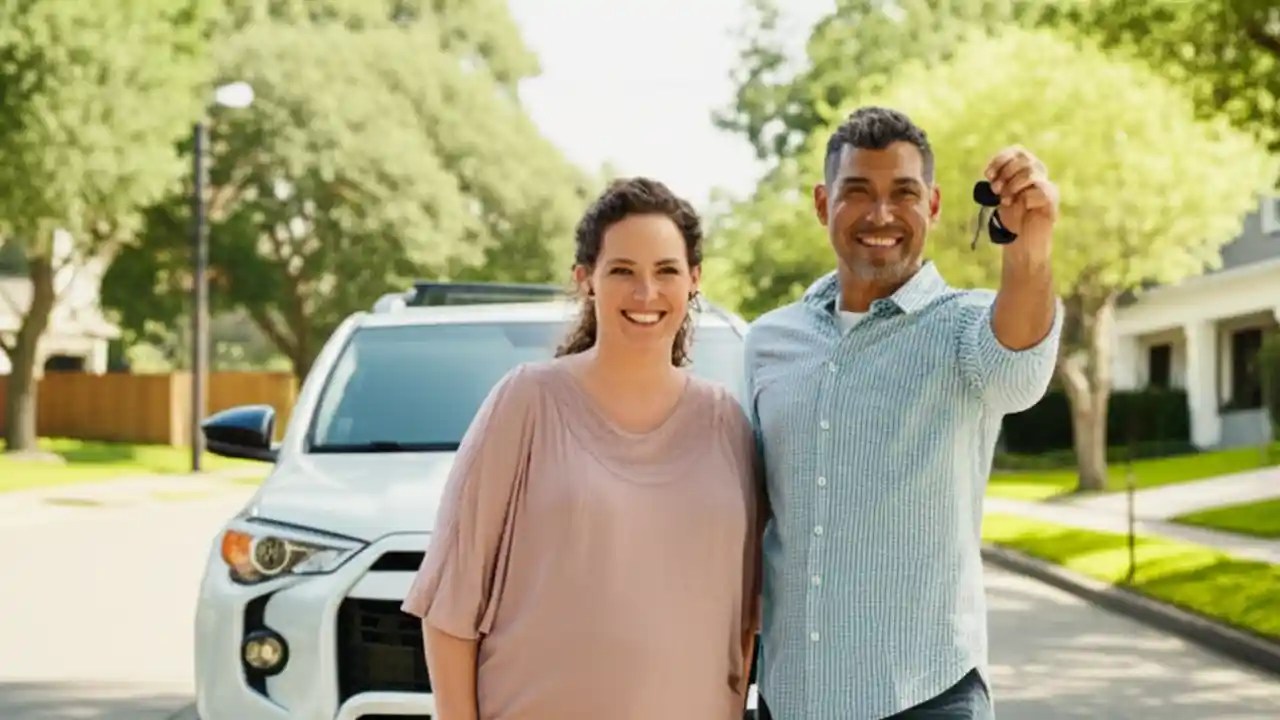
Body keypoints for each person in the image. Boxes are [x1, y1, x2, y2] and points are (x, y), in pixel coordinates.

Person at [401, 176, 763, 720]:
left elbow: (743, 627)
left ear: (693, 280)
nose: (646, 293)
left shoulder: (727, 424)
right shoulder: (527, 402)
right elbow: (450, 605)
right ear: (585, 279)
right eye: (622, 271)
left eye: (665, 270)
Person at [743, 106, 1063, 719]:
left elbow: (1018, 373)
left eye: (904, 194)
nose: (881, 214)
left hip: (925, 698)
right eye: (857, 192)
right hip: (790, 700)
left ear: (935, 206)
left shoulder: (966, 327)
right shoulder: (768, 342)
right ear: (821, 204)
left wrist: (1032, 247)